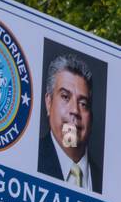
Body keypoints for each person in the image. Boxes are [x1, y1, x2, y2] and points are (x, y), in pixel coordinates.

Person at [37, 53, 102, 192]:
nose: (75, 110)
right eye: (65, 97)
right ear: (49, 103)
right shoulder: (30, 156)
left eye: (83, 103)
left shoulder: (107, 180)